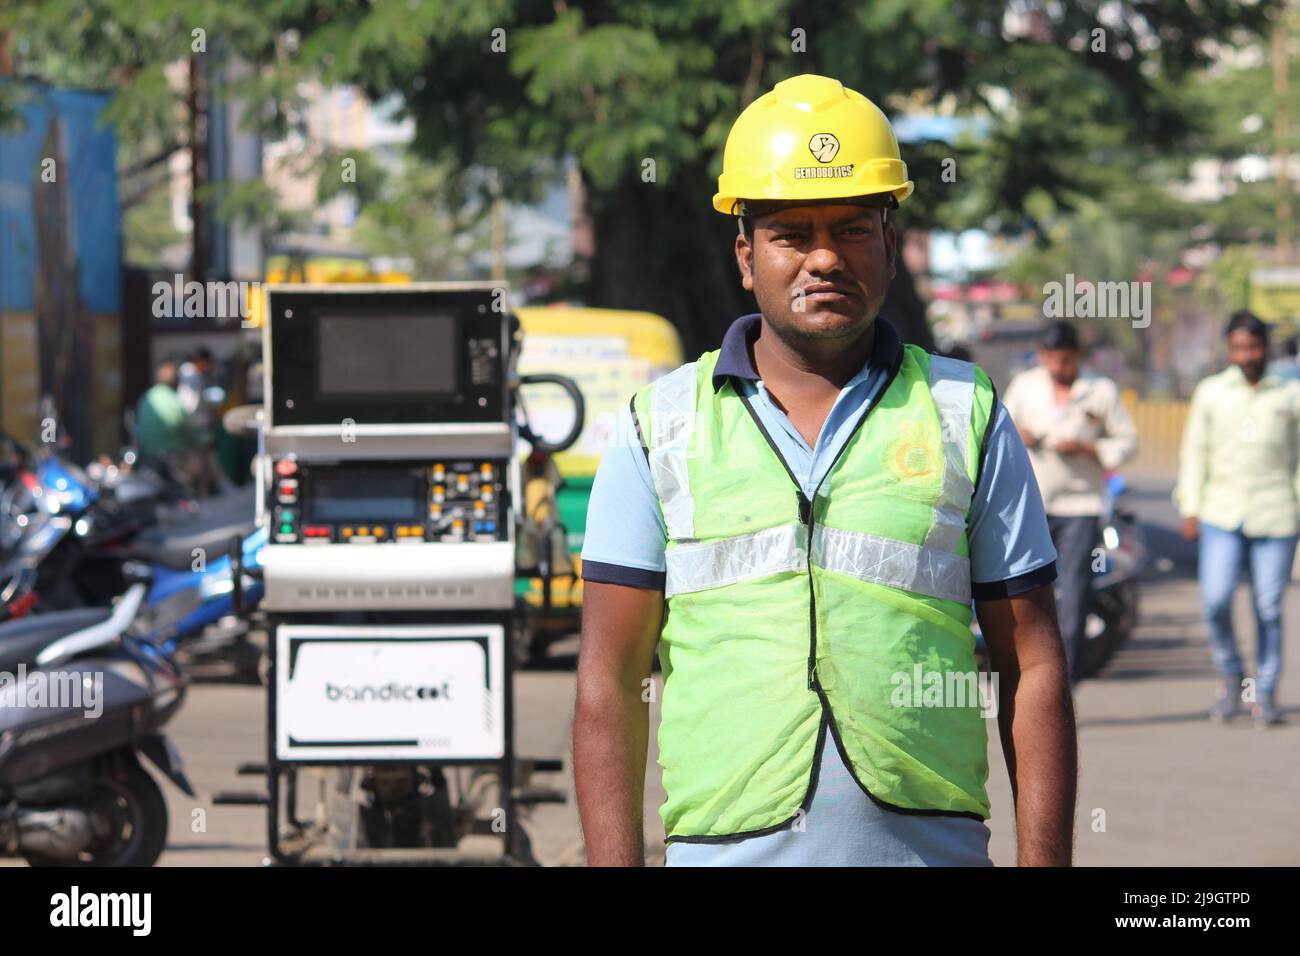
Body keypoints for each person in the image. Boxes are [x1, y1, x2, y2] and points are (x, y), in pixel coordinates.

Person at [573, 74, 1076, 867]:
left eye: (850, 229)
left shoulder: (964, 411)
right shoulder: (658, 426)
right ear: (746, 254)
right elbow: (608, 679)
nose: (823, 257)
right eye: (790, 233)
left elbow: (1035, 664)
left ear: (888, 244)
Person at [1175, 310, 1300, 727]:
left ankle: (1264, 692)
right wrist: (1190, 506)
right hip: (1220, 513)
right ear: (1229, 350)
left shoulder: (1289, 395)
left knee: (1268, 605)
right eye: (1238, 348)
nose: (1246, 355)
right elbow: (1195, 451)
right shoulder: (1211, 392)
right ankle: (1231, 677)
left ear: (1265, 347)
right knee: (1216, 600)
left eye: (1253, 346)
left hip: (1277, 514)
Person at [1003, 321, 1138, 685]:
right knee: (1024, 590)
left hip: (1081, 506)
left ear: (1078, 357)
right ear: (1042, 356)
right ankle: (1026, 672)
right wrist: (1021, 437)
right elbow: (997, 431)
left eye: (1065, 360)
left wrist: (1090, 449)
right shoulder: (1026, 386)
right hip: (1030, 503)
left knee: (1074, 592)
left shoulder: (1101, 390)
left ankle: (1066, 679)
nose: (1058, 368)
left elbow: (1128, 443)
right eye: (1051, 360)